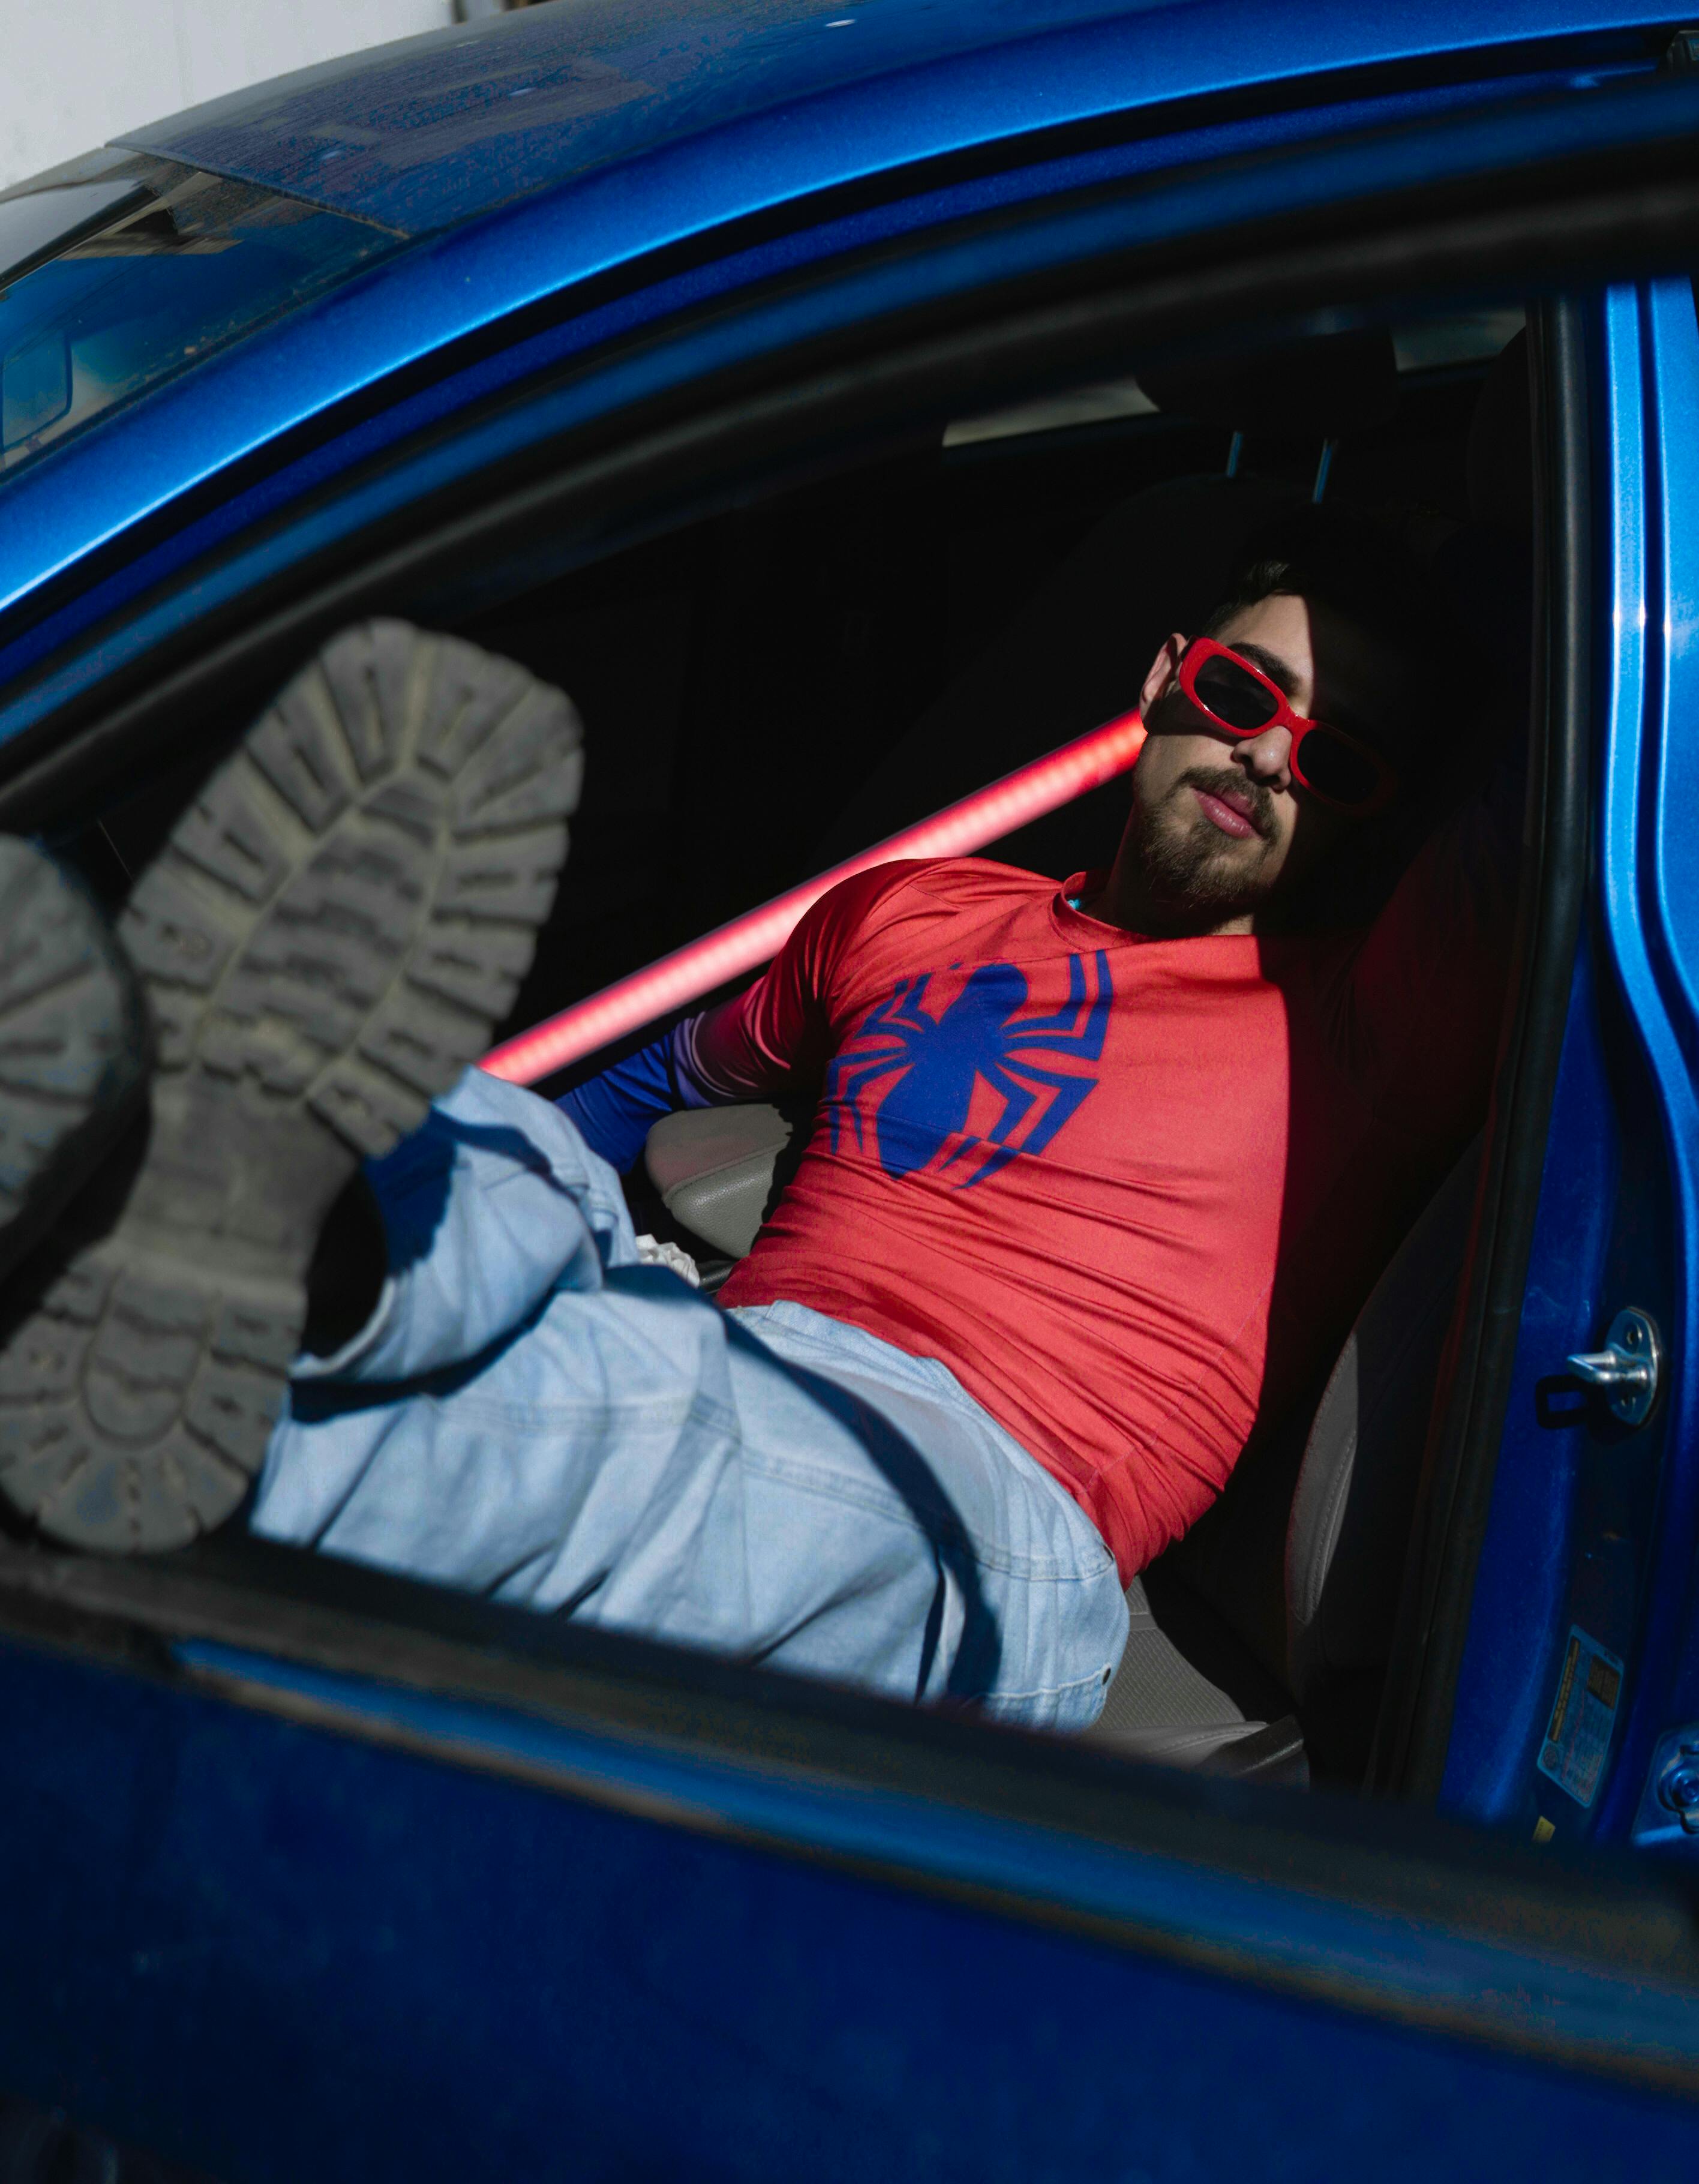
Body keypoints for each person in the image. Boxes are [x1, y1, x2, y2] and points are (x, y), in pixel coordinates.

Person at [0, 509, 1516, 1733]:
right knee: (476, 1135)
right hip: (729, 1342)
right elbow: (644, 1091)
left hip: (972, 1510)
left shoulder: (1362, 1023)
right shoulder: (911, 908)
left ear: (1374, 819)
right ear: (1167, 679)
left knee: (607, 1423)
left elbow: (1584, 800)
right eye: (1247, 694)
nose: (1267, 752)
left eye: (1337, 759)